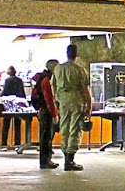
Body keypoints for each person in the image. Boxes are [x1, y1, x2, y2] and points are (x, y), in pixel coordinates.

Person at [52, 43, 92, 171]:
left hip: (63, 100)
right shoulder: (79, 69)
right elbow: (85, 89)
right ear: (76, 54)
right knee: (75, 129)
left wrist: (56, 101)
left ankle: (65, 155)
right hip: (76, 100)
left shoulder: (58, 69)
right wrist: (89, 106)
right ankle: (70, 159)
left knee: (64, 127)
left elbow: (53, 86)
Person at [31, 58, 60, 169]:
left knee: (46, 135)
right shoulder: (47, 80)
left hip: (43, 110)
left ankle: (47, 160)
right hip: (46, 110)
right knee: (46, 136)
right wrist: (54, 113)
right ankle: (45, 161)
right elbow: (49, 98)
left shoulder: (42, 78)